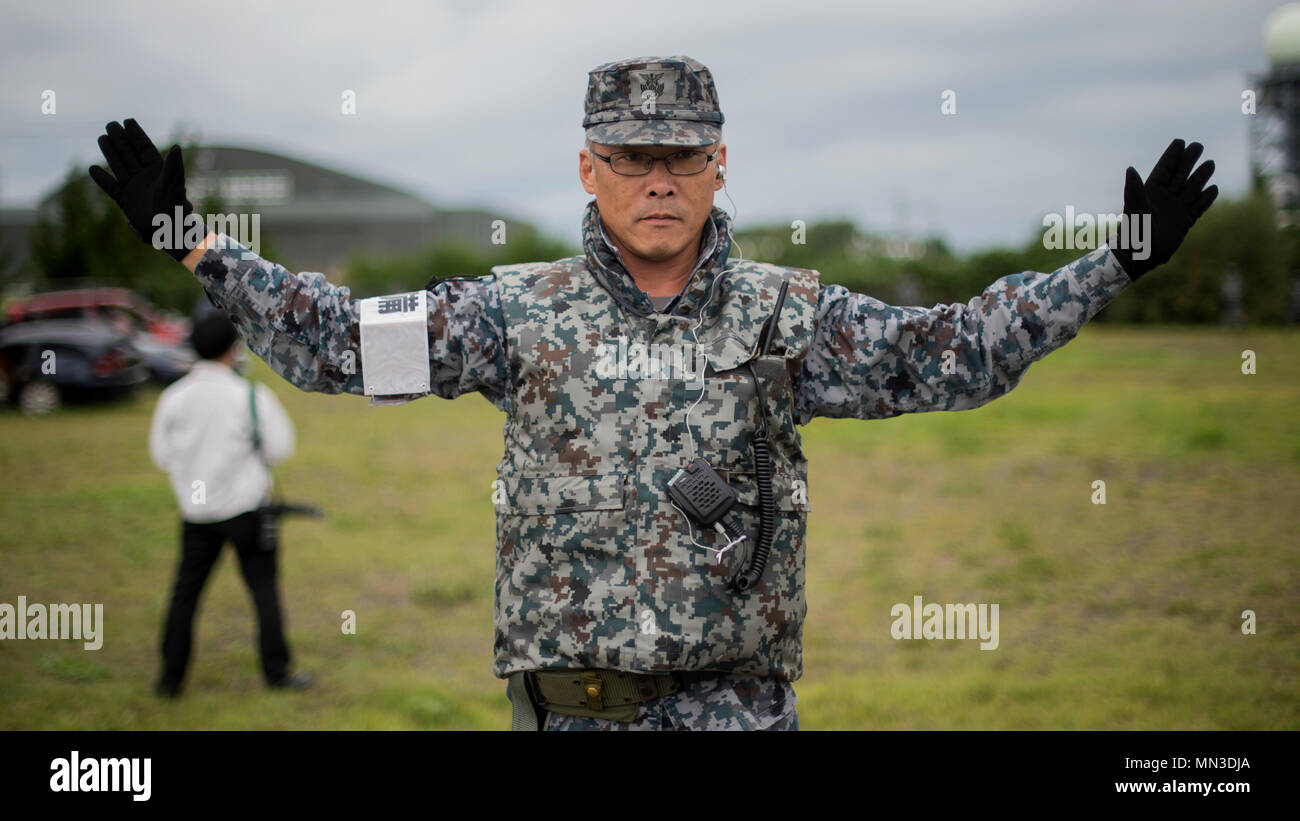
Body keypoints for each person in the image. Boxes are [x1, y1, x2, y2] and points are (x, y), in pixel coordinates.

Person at [92, 55, 1217, 729]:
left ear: (721, 163)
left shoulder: (790, 314)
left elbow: (957, 349)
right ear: (589, 168)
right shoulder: (512, 313)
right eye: (632, 158)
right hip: (569, 711)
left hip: (737, 705)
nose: (660, 179)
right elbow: (338, 343)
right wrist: (195, 243)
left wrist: (1110, 260)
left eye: (683, 154)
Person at [147, 312, 312, 696]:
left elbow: (161, 455)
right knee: (263, 591)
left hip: (196, 512)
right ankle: (277, 673)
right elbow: (280, 448)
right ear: (232, 349)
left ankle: (170, 679)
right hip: (246, 510)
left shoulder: (173, 397)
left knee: (185, 594)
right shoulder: (250, 395)